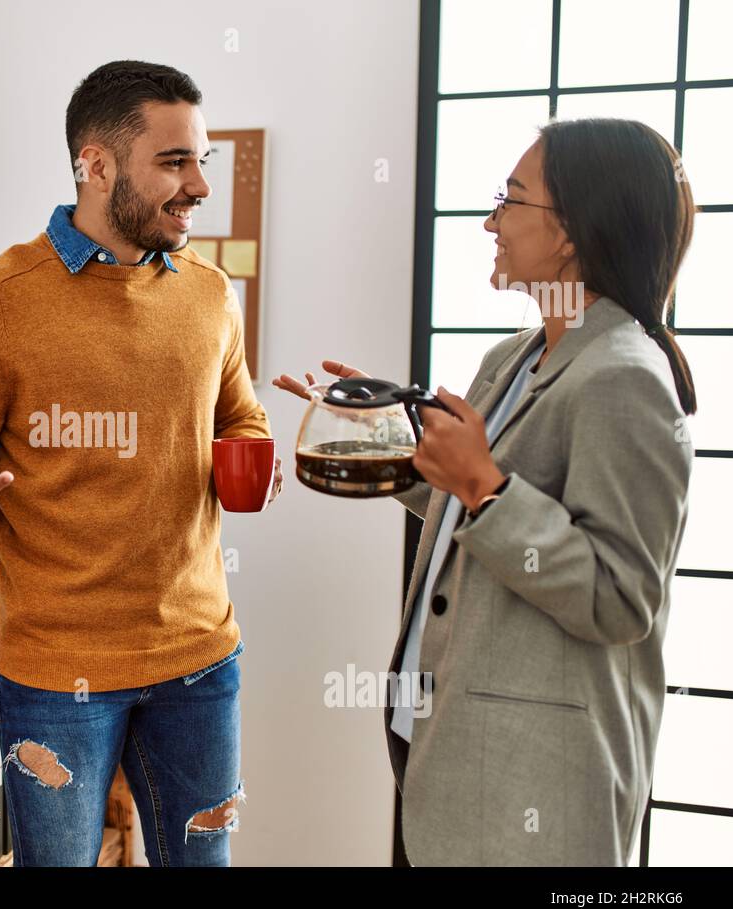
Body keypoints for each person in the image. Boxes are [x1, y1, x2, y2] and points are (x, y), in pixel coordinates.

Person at [0, 60, 279, 866]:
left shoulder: (210, 292)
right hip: (56, 675)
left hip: (199, 659)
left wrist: (256, 456)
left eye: (201, 159)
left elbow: (237, 415)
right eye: (175, 162)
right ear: (94, 166)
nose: (199, 185)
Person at [276, 118, 696, 865]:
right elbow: (469, 506)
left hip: (536, 786)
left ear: (571, 230)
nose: (490, 221)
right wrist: (384, 443)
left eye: (511, 200)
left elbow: (622, 598)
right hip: (444, 754)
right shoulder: (516, 355)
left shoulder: (624, 377)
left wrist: (484, 484)